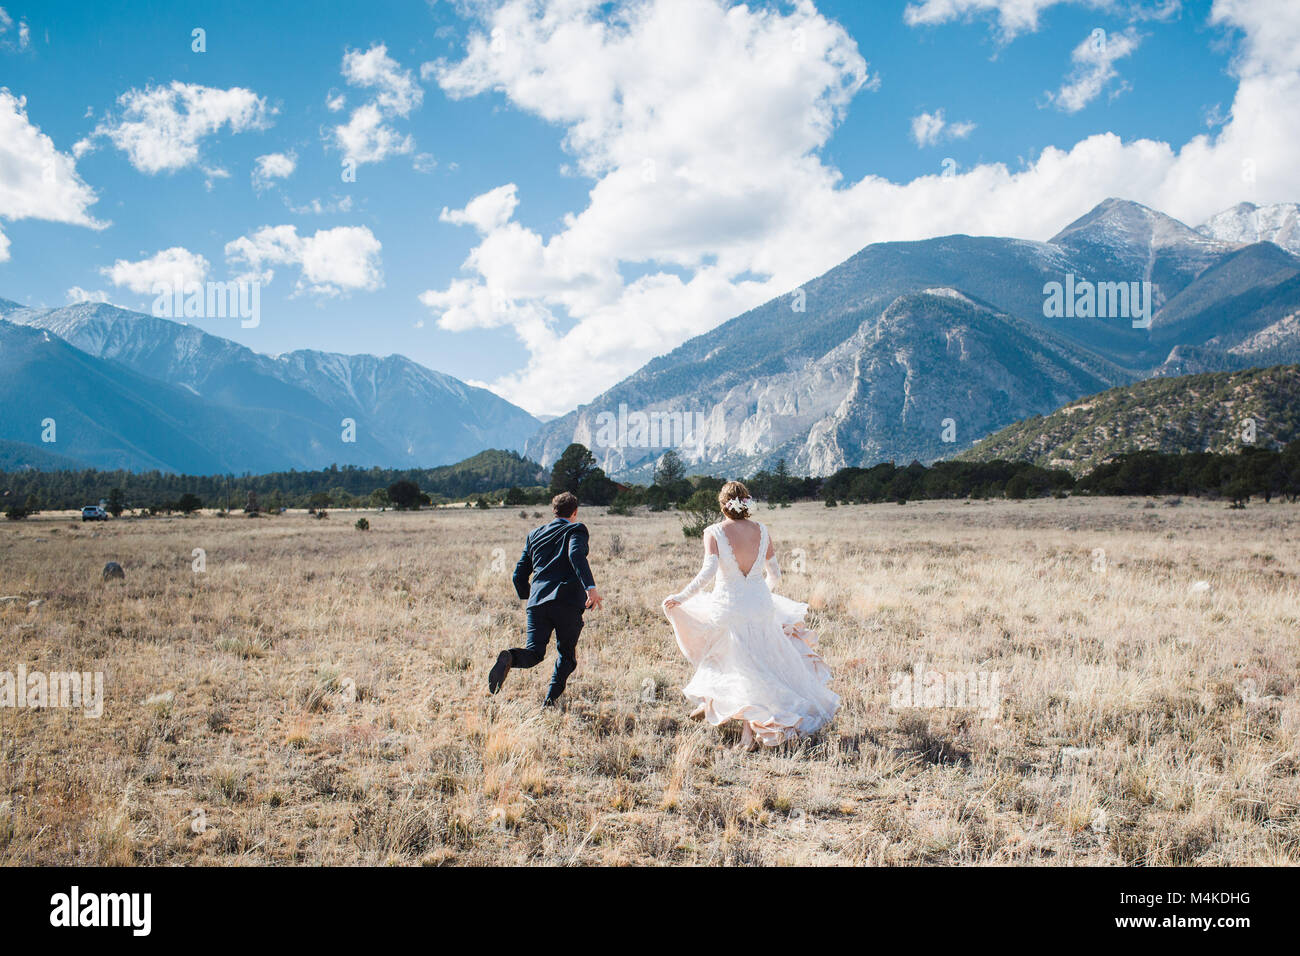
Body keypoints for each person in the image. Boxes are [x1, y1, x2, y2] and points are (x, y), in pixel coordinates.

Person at [662, 481, 838, 749]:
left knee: (729, 661)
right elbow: (775, 574)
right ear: (746, 504)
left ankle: (721, 710)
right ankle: (723, 711)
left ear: (723, 505)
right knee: (756, 664)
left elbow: (708, 573)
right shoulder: (762, 530)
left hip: (728, 607)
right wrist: (759, 595)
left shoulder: (713, 532)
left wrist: (681, 597)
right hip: (759, 606)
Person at [488, 491, 603, 706]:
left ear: (554, 511)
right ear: (575, 512)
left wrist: (530, 597)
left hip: (537, 602)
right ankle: (549, 702)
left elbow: (518, 575)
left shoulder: (534, 535)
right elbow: (575, 555)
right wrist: (590, 589)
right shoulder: (576, 529)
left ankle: (510, 657)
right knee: (566, 655)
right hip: (566, 601)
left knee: (534, 653)